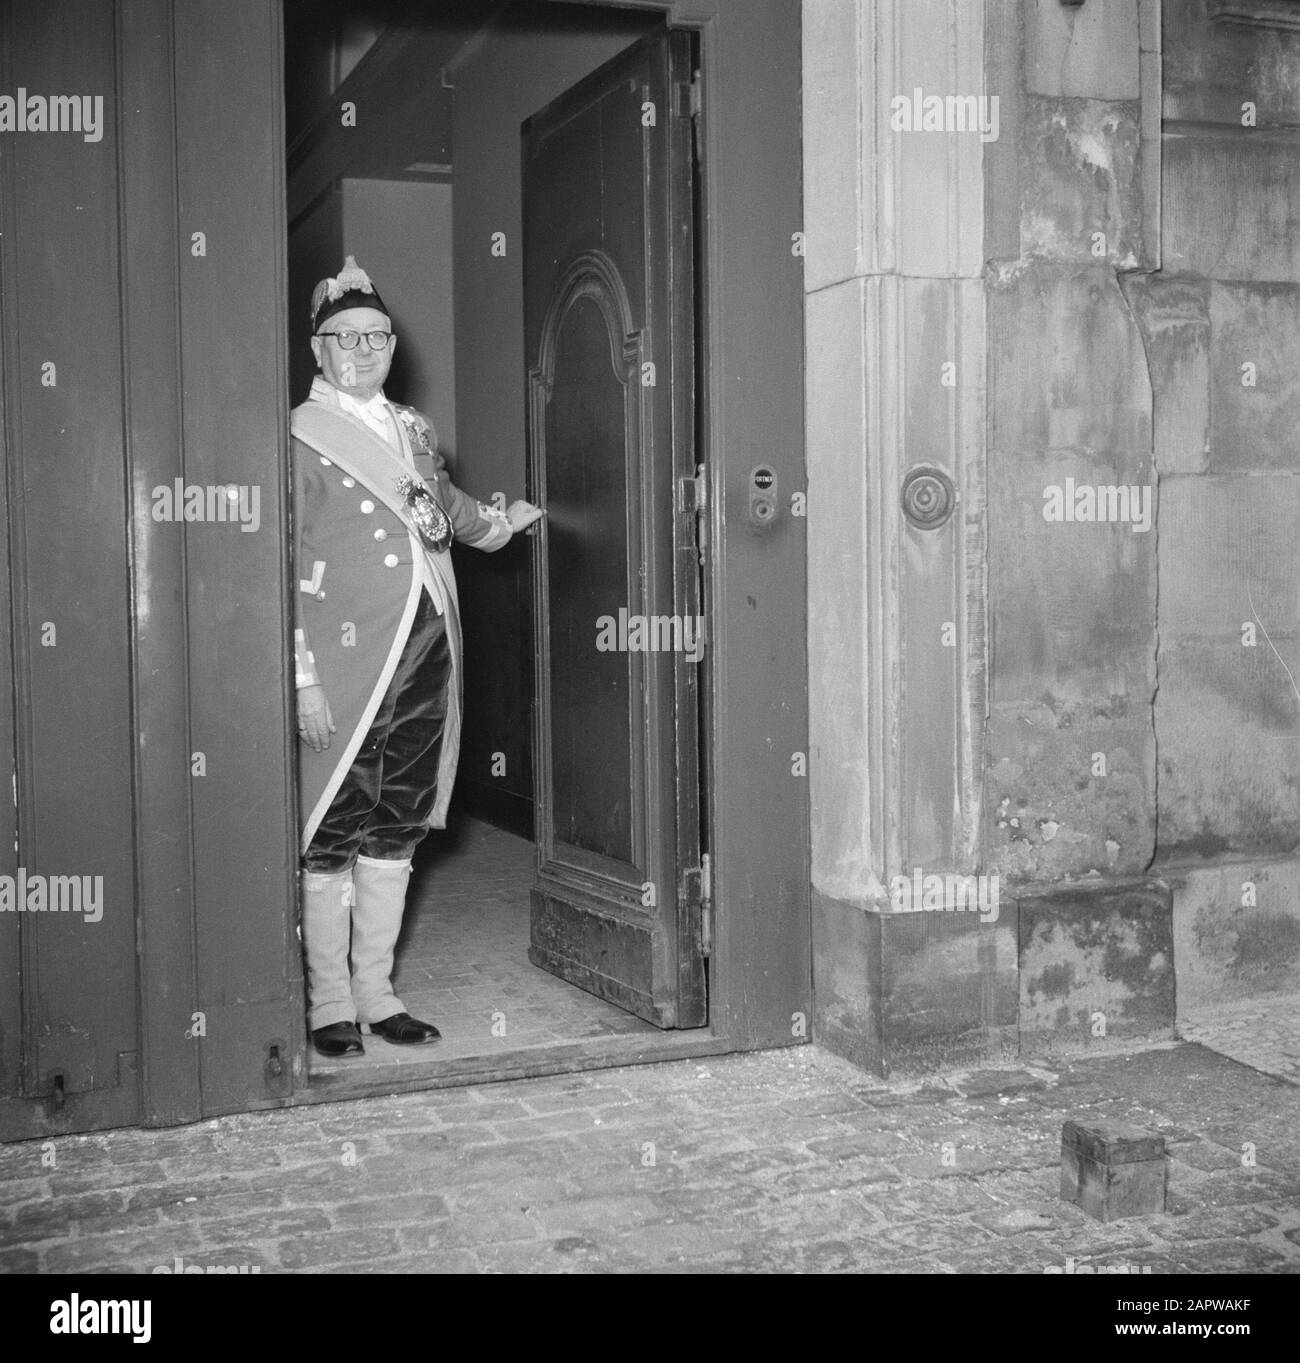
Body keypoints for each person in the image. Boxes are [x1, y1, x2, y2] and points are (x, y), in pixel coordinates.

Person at [291, 256, 543, 1058]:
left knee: (397, 820)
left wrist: (503, 523)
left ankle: (377, 991)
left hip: (428, 647)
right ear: (318, 349)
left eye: (376, 337)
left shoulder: (413, 430)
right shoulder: (297, 435)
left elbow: (446, 510)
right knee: (332, 823)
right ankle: (328, 998)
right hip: (346, 661)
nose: (362, 351)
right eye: (345, 337)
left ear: (392, 345)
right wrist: (301, 676)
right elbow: (281, 565)